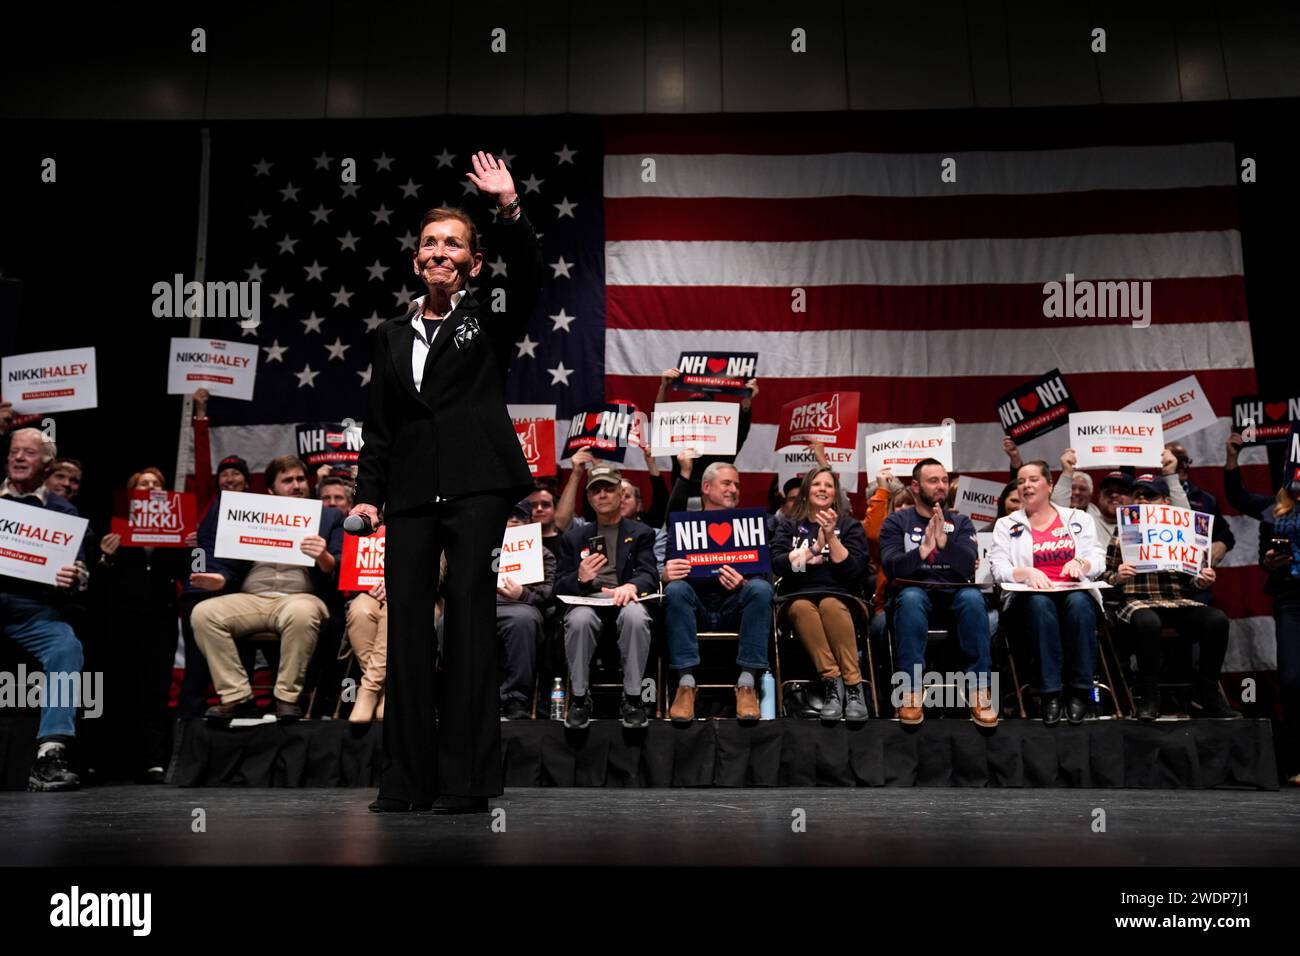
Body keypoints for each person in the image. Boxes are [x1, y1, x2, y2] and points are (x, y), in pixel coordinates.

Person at [350, 152, 544, 815]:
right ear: (415, 260)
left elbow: (534, 274)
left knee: (466, 624)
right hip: (407, 494)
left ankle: (465, 782)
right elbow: (381, 424)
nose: (439, 252)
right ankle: (406, 779)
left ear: (473, 262)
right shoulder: (388, 335)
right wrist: (367, 495)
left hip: (477, 487)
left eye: (453, 244)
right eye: (430, 243)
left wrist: (508, 208)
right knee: (404, 626)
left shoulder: (489, 315)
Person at [190, 455, 344, 722]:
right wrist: (220, 580)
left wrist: (324, 557)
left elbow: (341, 566)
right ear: (271, 490)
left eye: (299, 479)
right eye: (287, 480)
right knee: (204, 613)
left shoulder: (328, 516)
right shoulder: (251, 514)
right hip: (252, 598)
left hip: (302, 597)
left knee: (302, 612)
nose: (296, 485)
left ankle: (286, 699)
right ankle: (237, 697)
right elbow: (225, 563)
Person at [1102, 473, 1238, 720]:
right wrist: (1118, 576)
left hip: (1177, 601)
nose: (1142, 499)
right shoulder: (1123, 530)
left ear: (1165, 501)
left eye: (1149, 495)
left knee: (1217, 620)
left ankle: (1208, 692)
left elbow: (1193, 579)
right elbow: (1106, 577)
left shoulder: (1183, 529)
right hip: (1137, 601)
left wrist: (1202, 578)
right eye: (1137, 495)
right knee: (1147, 622)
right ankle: (1149, 695)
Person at [0, 428, 88, 791]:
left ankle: (49, 755)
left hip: (32, 610)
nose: (19, 458)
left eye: (29, 453)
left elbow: (81, 570)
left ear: (47, 464)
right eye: (14, 451)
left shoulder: (62, 510)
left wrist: (75, 575)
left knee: (66, 647)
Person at [879, 459, 998, 727]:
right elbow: (892, 568)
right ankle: (910, 692)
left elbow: (968, 565)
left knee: (972, 597)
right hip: (912, 595)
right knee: (911, 597)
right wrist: (923, 551)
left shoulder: (960, 522)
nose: (941, 486)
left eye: (944, 480)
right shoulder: (896, 522)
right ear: (915, 486)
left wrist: (944, 544)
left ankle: (980, 690)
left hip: (952, 595)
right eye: (933, 480)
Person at [988, 460, 1106, 726]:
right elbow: (998, 567)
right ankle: (1049, 694)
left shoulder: (1079, 519)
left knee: (1078, 604)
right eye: (1021, 481)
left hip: (1074, 591)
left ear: (1050, 485)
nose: (1026, 486)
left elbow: (1098, 558)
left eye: (1033, 479)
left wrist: (1082, 564)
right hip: (1027, 598)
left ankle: (1079, 692)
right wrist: (1026, 573)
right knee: (1040, 604)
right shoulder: (1007, 525)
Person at [94, 466, 191, 782]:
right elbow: (100, 582)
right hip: (121, 617)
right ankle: (112, 760)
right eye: (144, 484)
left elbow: (184, 574)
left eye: (157, 484)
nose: (151, 488)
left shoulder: (177, 528)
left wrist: (190, 548)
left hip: (160, 617)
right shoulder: (116, 525)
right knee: (119, 685)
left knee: (156, 687)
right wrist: (106, 558)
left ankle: (154, 761)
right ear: (132, 493)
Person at [663, 462, 774, 723]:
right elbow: (669, 568)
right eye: (727, 483)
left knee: (760, 588)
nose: (734, 489)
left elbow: (764, 576)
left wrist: (743, 584)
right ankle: (686, 685)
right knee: (675, 589)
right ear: (706, 487)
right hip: (696, 608)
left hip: (735, 608)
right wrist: (666, 574)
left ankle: (747, 684)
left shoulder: (752, 525)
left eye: (737, 485)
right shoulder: (683, 526)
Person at [554, 464, 657, 729]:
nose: (602, 495)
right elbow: (559, 586)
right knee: (579, 620)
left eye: (608, 489)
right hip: (589, 599)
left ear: (621, 495)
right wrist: (580, 578)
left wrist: (632, 586)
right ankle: (579, 698)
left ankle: (633, 699)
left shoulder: (640, 533)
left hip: (625, 599)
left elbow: (649, 573)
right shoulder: (574, 538)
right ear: (589, 498)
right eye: (596, 491)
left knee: (636, 616)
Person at [1225, 431, 1300, 783]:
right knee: (1292, 679)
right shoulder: (1275, 507)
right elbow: (1237, 496)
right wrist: (1231, 458)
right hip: (1291, 601)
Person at [771, 466, 870, 721]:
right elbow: (780, 564)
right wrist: (814, 549)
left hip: (842, 597)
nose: (822, 489)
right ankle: (832, 682)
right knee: (803, 607)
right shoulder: (790, 527)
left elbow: (854, 572)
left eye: (828, 485)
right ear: (806, 492)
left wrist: (831, 538)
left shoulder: (850, 527)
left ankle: (853, 687)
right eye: (817, 484)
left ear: (835, 494)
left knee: (830, 604)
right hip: (796, 598)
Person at [497, 499, 557, 720]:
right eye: (508, 517)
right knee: (449, 622)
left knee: (522, 622)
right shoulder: (484, 548)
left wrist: (522, 594)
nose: (513, 523)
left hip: (522, 606)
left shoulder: (543, 554)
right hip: (484, 607)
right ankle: (456, 694)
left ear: (530, 523)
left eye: (519, 518)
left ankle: (516, 698)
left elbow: (549, 594)